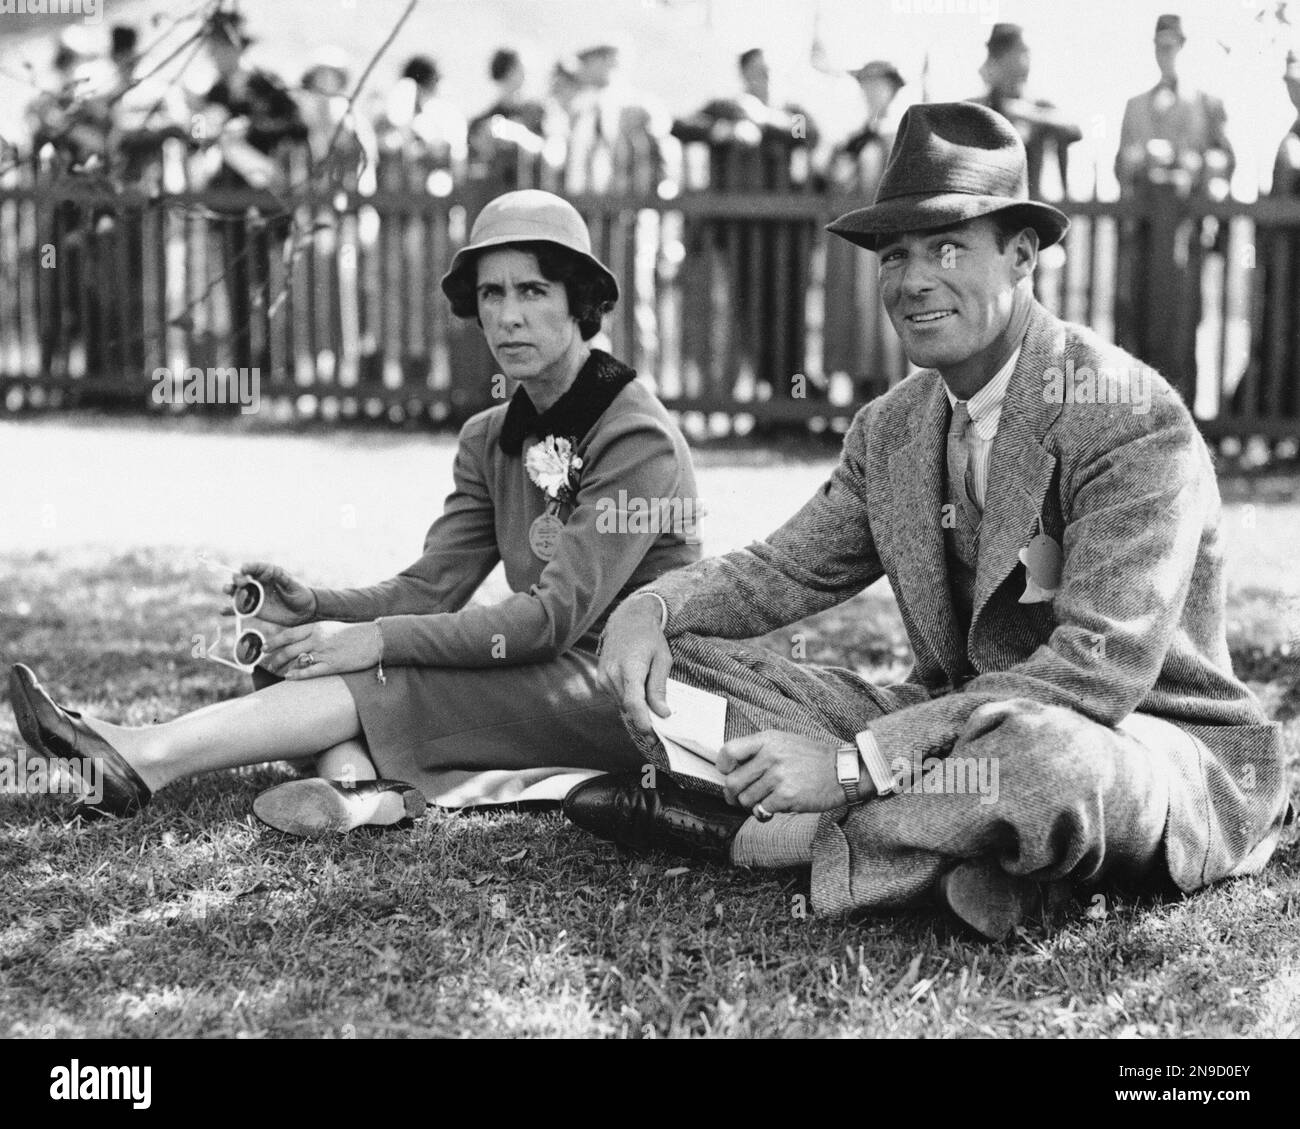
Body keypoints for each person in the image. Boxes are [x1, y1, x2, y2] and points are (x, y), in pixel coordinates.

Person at [565, 103, 1292, 941]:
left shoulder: (1125, 412)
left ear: (1022, 255)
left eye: (948, 248)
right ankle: (967, 861)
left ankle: (768, 837)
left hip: (1137, 740)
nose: (913, 280)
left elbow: (1095, 673)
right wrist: (651, 608)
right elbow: (783, 569)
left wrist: (850, 765)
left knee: (1042, 761)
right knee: (679, 661)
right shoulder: (893, 426)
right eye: (896, 254)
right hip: (943, 734)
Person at [10, 190, 701, 835]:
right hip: (538, 668)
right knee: (301, 660)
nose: (508, 315)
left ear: (579, 302)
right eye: (491, 293)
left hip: (628, 687)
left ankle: (142, 755)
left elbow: (552, 620)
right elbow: (430, 587)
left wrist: (374, 639)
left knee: (387, 667)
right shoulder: (490, 436)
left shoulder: (634, 435)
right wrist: (315, 607)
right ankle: (358, 790)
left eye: (533, 291)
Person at [671, 48, 820, 403]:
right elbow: (681, 126)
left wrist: (763, 122)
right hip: (733, 238)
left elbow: (809, 133)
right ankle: (737, 399)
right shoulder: (724, 108)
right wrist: (726, 130)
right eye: (757, 72)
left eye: (769, 72)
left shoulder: (790, 112)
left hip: (783, 239)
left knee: (784, 319)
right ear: (744, 75)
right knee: (740, 318)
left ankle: (788, 398)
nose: (764, 79)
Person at [1114, 13, 1234, 406]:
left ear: (1184, 47)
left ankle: (1185, 418)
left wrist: (1196, 164)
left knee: (1184, 325)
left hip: (1186, 237)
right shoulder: (1135, 106)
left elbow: (1225, 158)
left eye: (1173, 45)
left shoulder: (1207, 103)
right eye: (1160, 46)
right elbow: (1121, 164)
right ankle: (1139, 420)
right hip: (1143, 239)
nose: (1167, 54)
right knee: (1138, 325)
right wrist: (1136, 159)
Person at [191, 8, 308, 374]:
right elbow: (201, 137)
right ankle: (244, 373)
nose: (214, 56)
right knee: (235, 293)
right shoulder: (216, 91)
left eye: (219, 47)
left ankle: (276, 369)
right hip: (228, 206)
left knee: (271, 290)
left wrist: (254, 128)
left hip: (266, 202)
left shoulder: (265, 85)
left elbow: (296, 127)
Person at [825, 60, 909, 397]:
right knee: (854, 312)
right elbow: (834, 177)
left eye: (878, 85)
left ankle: (888, 395)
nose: (870, 92)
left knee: (885, 316)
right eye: (866, 85)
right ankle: (857, 398)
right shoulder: (854, 136)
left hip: (891, 237)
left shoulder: (901, 134)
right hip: (854, 242)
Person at [1231, 48, 1300, 430]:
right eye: (1290, 83)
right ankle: (1264, 424)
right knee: (1278, 341)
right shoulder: (1288, 141)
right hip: (1287, 265)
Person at [969, 23, 1080, 202]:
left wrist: (1028, 114)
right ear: (1003, 56)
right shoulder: (981, 107)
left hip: (1034, 207)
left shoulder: (1038, 106)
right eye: (1022, 52)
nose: (1028, 59)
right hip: (990, 207)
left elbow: (1074, 130)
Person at [468, 48, 547, 191]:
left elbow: (546, 149)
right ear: (511, 71)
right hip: (495, 194)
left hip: (532, 193)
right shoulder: (484, 121)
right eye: (521, 69)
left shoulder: (537, 112)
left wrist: (518, 134)